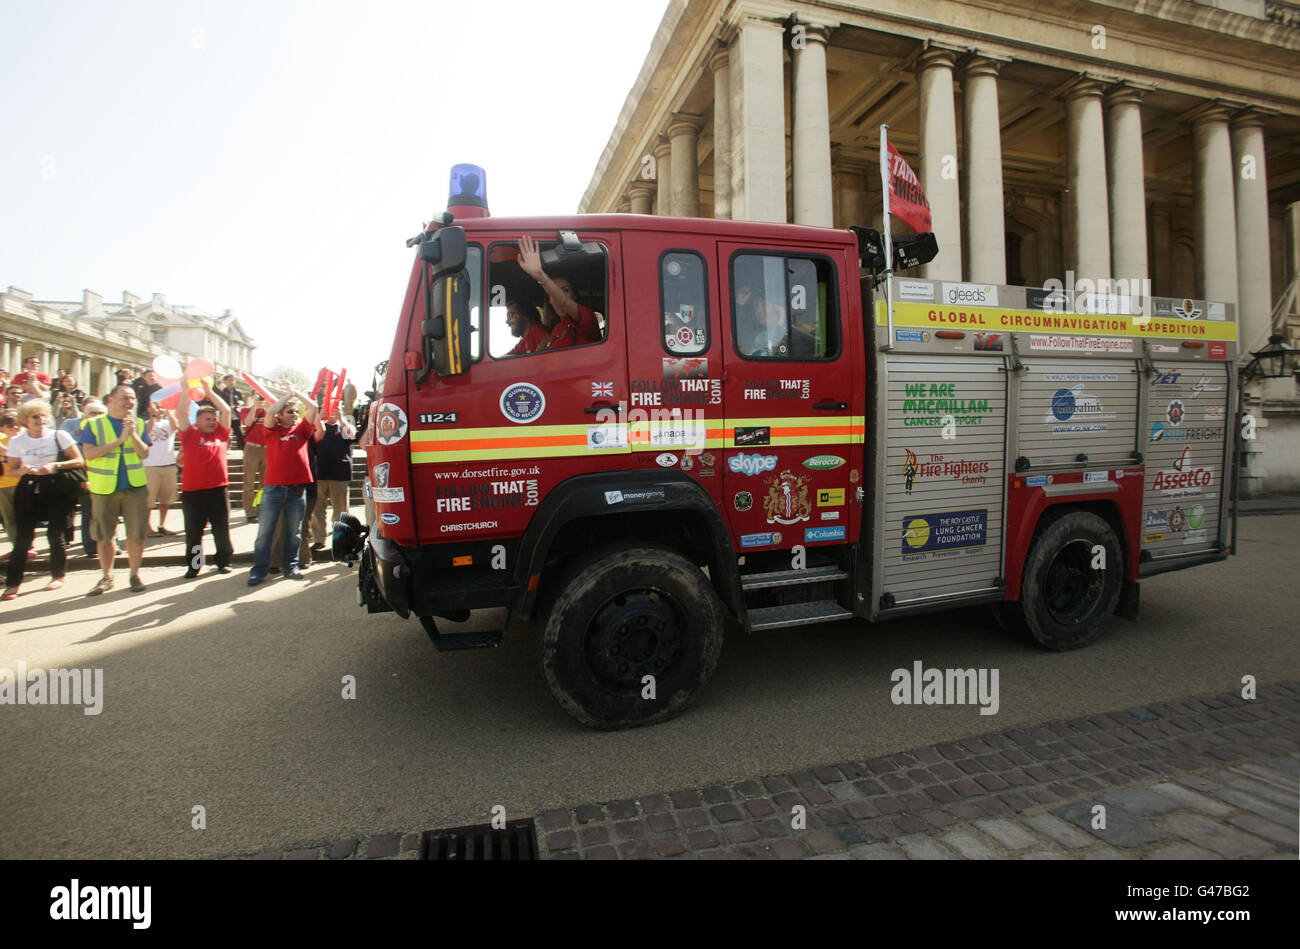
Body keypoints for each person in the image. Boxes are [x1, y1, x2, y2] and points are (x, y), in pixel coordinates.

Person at [3, 401, 85, 599]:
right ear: (25, 420)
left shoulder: (59, 435)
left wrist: (54, 464)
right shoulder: (17, 441)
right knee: (23, 536)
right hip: (29, 486)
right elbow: (12, 469)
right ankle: (13, 583)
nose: (41, 420)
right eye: (35, 417)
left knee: (55, 533)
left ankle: (58, 574)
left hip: (56, 484)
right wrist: (23, 470)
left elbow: (78, 460)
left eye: (43, 416)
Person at [79, 384, 152, 594]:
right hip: (104, 488)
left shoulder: (138, 423)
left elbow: (144, 453)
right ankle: (107, 576)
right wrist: (119, 440)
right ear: (110, 400)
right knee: (104, 535)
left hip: (134, 486)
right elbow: (89, 454)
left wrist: (132, 435)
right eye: (125, 398)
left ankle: (134, 574)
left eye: (132, 398)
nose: (129, 402)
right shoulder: (93, 424)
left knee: (136, 534)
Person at [247, 386, 322, 585]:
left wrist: (298, 393)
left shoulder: (302, 430)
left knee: (294, 533)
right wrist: (288, 396)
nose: (295, 414)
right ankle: (258, 570)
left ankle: (291, 566)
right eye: (290, 411)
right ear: (280, 415)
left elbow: (314, 407)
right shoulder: (272, 431)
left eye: (296, 411)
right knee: (265, 533)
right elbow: (270, 412)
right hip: (273, 490)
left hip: (297, 490)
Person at [177, 381, 234, 578]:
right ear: (198, 421)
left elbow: (226, 410)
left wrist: (209, 392)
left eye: (213, 419)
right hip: (193, 493)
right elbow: (181, 414)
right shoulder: (189, 434)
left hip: (218, 491)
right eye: (208, 419)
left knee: (221, 530)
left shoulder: (221, 433)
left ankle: (223, 562)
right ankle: (194, 566)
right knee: (194, 533)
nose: (212, 422)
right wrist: (186, 391)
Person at [516, 235, 601, 350]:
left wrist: (540, 275)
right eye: (553, 292)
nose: (558, 297)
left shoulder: (588, 319)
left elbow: (564, 302)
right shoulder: (557, 329)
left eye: (566, 290)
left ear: (574, 296)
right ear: (550, 301)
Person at [312, 409, 354, 552]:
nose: (330, 412)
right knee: (317, 510)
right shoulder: (318, 427)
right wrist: (318, 417)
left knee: (340, 511)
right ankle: (319, 540)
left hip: (339, 474)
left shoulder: (343, 425)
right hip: (319, 474)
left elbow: (352, 435)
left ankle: (341, 541)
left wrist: (341, 419)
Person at [142, 401, 179, 535]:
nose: (160, 409)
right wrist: (153, 414)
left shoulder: (168, 423)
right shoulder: (145, 423)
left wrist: (169, 411)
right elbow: (148, 431)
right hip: (150, 466)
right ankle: (146, 526)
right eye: (157, 406)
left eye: (161, 406)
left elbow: (176, 426)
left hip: (168, 465)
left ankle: (162, 524)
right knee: (149, 500)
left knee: (166, 499)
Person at [239, 398, 269, 521]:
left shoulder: (269, 411)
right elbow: (247, 422)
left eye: (262, 397)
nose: (261, 400)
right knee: (249, 482)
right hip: (252, 447)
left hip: (267, 448)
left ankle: (260, 508)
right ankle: (250, 512)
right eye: (258, 397)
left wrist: (269, 407)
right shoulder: (246, 410)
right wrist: (254, 407)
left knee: (264, 483)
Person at [0, 410, 19, 549]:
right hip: (3, 485)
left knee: (27, 516)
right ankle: (17, 546)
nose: (13, 427)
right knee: (10, 517)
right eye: (9, 425)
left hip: (23, 483)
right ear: (2, 427)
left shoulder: (25, 440)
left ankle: (25, 544)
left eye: (16, 424)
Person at [215, 375, 245, 448]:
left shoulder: (237, 392)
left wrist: (235, 407)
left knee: (239, 433)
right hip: (226, 416)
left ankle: (242, 448)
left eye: (233, 380)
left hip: (235, 416)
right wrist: (227, 408)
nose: (231, 382)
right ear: (225, 382)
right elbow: (219, 403)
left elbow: (241, 402)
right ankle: (224, 448)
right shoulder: (222, 392)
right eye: (229, 380)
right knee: (225, 432)